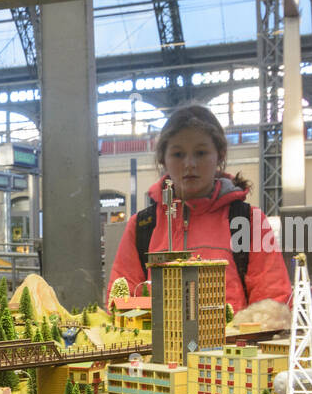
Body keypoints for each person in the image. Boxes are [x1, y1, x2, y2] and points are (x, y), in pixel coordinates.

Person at [106, 104, 290, 326]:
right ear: (163, 159)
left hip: (230, 355)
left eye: (201, 153)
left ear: (219, 155)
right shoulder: (142, 226)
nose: (189, 164)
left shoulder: (248, 221)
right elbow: (120, 303)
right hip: (155, 358)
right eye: (178, 154)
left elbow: (273, 304)